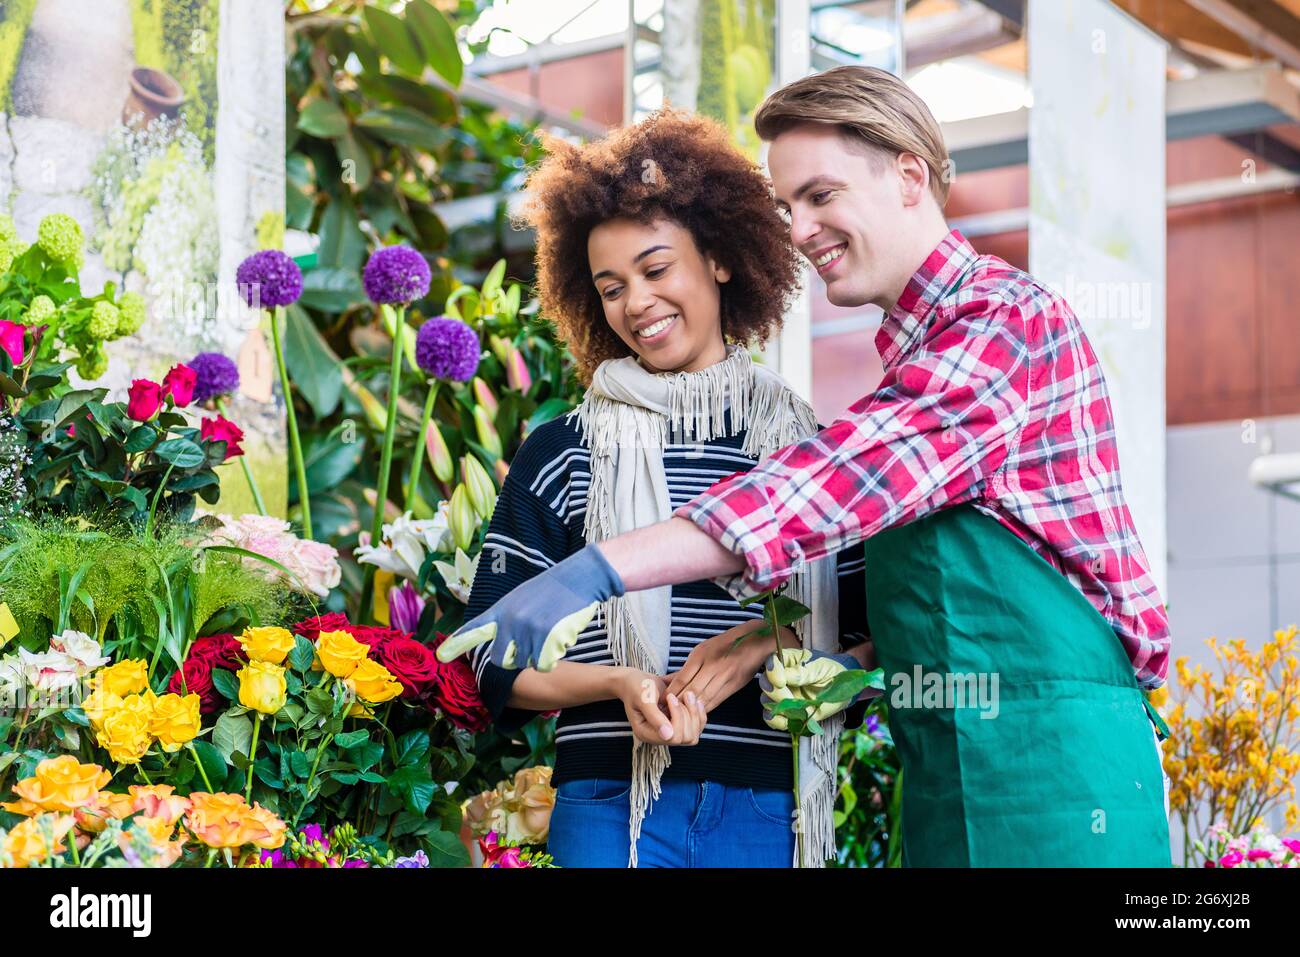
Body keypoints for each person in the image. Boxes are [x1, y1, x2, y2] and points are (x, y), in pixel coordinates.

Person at [442, 66, 1175, 867]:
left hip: (1055, 775)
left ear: (908, 175)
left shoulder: (1002, 325)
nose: (799, 227)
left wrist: (600, 569)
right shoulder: (912, 362)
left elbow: (826, 485)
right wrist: (795, 655)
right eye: (787, 206)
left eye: (820, 195)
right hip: (955, 770)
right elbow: (919, 614)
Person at [460, 108, 873, 868]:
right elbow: (489, 660)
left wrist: (762, 644)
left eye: (656, 270)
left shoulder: (802, 453)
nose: (636, 304)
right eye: (610, 287)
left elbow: (865, 634)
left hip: (765, 809)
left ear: (718, 257)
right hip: (609, 805)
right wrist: (621, 682)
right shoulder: (565, 450)